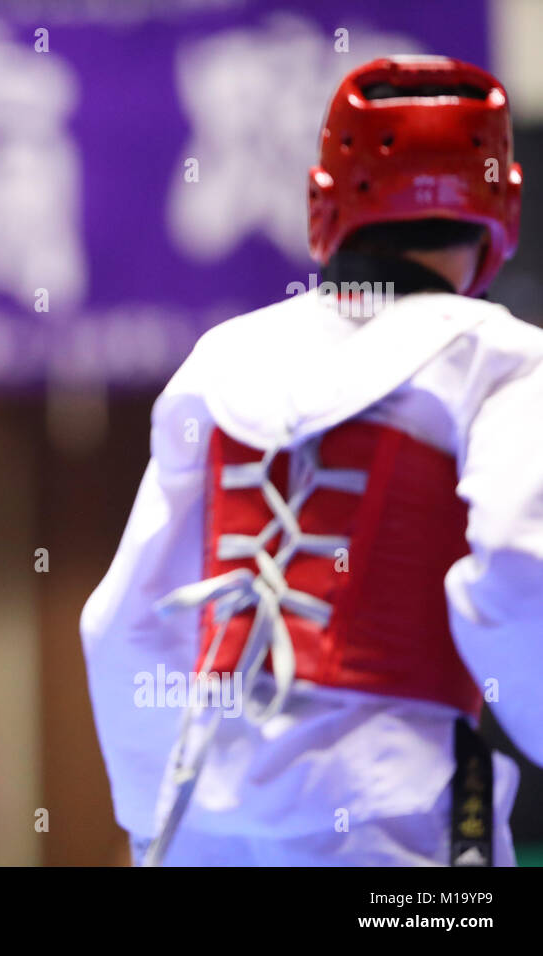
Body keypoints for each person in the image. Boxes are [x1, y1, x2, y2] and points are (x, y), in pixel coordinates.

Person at [81, 56, 541, 866]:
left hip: (210, 818)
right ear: (499, 201)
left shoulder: (226, 357)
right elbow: (515, 567)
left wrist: (152, 818)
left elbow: (122, 619)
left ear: (328, 195)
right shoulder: (500, 356)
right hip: (398, 818)